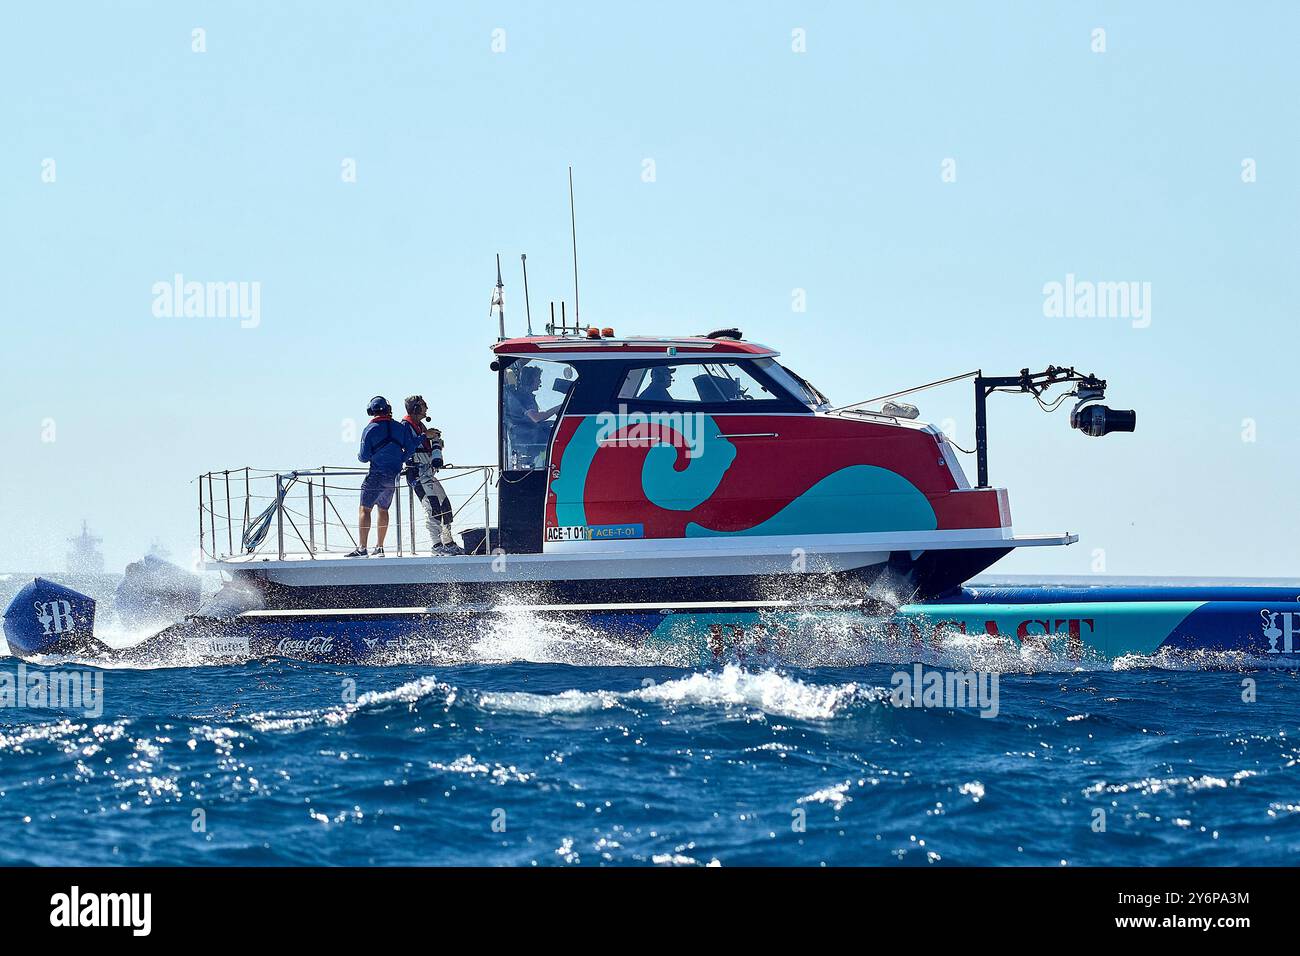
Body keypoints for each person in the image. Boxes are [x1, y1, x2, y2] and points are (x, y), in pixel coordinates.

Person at [347, 396, 420, 558]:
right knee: (384, 509)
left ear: (371, 411)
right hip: (393, 476)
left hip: (375, 475)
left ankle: (362, 548)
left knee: (365, 509)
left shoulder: (370, 429)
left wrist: (362, 455)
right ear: (388, 409)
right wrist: (400, 459)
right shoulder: (400, 428)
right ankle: (380, 547)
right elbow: (409, 449)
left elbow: (364, 457)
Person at [401, 395, 464, 555]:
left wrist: (436, 443)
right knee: (432, 507)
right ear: (415, 408)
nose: (426, 408)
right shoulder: (405, 426)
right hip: (417, 474)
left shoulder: (420, 426)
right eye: (423, 405)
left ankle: (447, 542)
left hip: (429, 473)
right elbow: (406, 446)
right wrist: (425, 437)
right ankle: (436, 545)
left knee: (445, 505)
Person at [503, 364, 564, 467]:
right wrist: (559, 408)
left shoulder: (525, 396)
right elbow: (535, 418)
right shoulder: (522, 397)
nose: (540, 382)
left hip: (531, 441)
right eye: (538, 379)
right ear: (530, 379)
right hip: (529, 441)